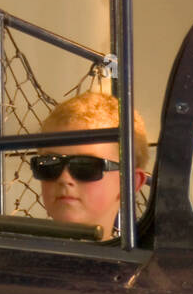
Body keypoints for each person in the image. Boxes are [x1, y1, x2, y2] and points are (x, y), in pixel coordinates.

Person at [31, 91, 149, 241]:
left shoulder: (147, 263)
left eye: (86, 166)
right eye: (50, 163)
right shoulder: (11, 256)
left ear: (129, 183)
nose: (64, 178)